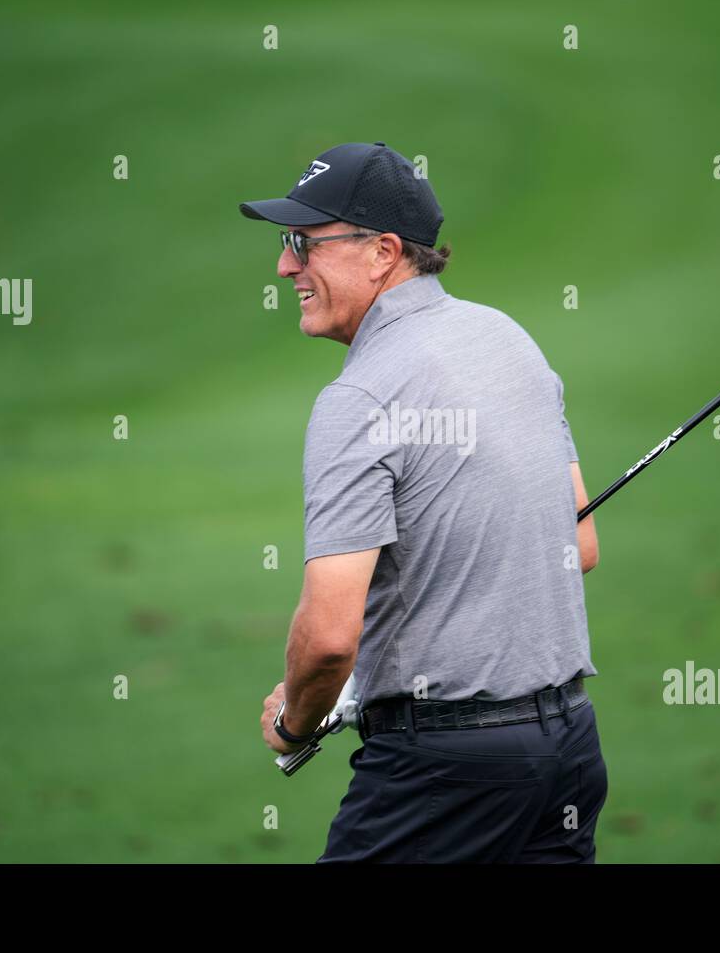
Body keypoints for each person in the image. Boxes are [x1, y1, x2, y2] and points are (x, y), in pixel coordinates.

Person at [243, 141, 607, 862]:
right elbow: (579, 547)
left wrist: (295, 718)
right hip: (567, 750)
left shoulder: (359, 397)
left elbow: (328, 641)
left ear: (381, 251)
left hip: (444, 773)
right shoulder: (509, 340)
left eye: (304, 244)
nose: (286, 266)